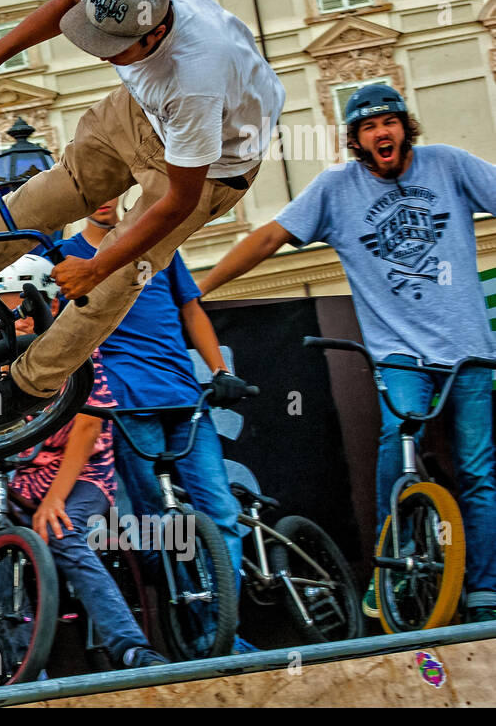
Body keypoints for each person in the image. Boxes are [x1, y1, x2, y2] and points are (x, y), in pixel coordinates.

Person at [0, 0, 284, 434]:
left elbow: (177, 201)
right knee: (48, 194)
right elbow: (65, 3)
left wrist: (95, 266)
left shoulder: (196, 77)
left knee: (120, 273)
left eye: (113, 47)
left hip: (210, 164)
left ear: (156, 33)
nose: (99, 53)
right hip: (139, 111)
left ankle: (29, 388)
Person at [201, 83, 496, 622]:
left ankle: (484, 589)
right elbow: (268, 237)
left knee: (478, 471)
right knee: (395, 437)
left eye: (388, 123)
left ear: (405, 127)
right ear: (356, 140)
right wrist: (202, 290)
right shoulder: (337, 189)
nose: (380, 134)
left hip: (469, 351)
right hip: (401, 353)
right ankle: (393, 565)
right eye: (367, 127)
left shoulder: (449, 166)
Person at [56, 198, 255, 652]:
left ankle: (219, 631)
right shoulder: (64, 255)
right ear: (84, 197)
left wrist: (219, 370)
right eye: (95, 190)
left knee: (221, 513)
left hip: (187, 400)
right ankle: (201, 632)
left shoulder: (160, 243)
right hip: (125, 407)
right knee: (161, 529)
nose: (105, 199)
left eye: (114, 188)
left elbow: (191, 309)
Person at [0, 256, 168, 669]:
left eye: (21, 310)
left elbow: (87, 427)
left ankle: (132, 648)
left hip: (82, 476)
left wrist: (55, 500)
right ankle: (22, 671)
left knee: (62, 532)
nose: (16, 321)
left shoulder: (78, 345)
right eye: (6, 311)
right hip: (26, 480)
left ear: (46, 304)